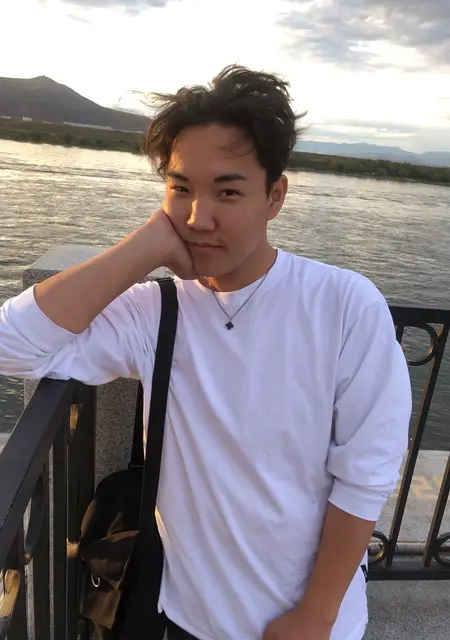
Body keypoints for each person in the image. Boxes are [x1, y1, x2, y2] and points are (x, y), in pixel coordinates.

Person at [0, 65, 411, 640]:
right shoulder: (156, 311)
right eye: (181, 188)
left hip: (310, 621)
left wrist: (315, 616)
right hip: (186, 615)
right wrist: (143, 248)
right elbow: (13, 346)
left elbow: (365, 474)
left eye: (228, 191)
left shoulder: (344, 305)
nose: (199, 218)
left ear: (275, 196)